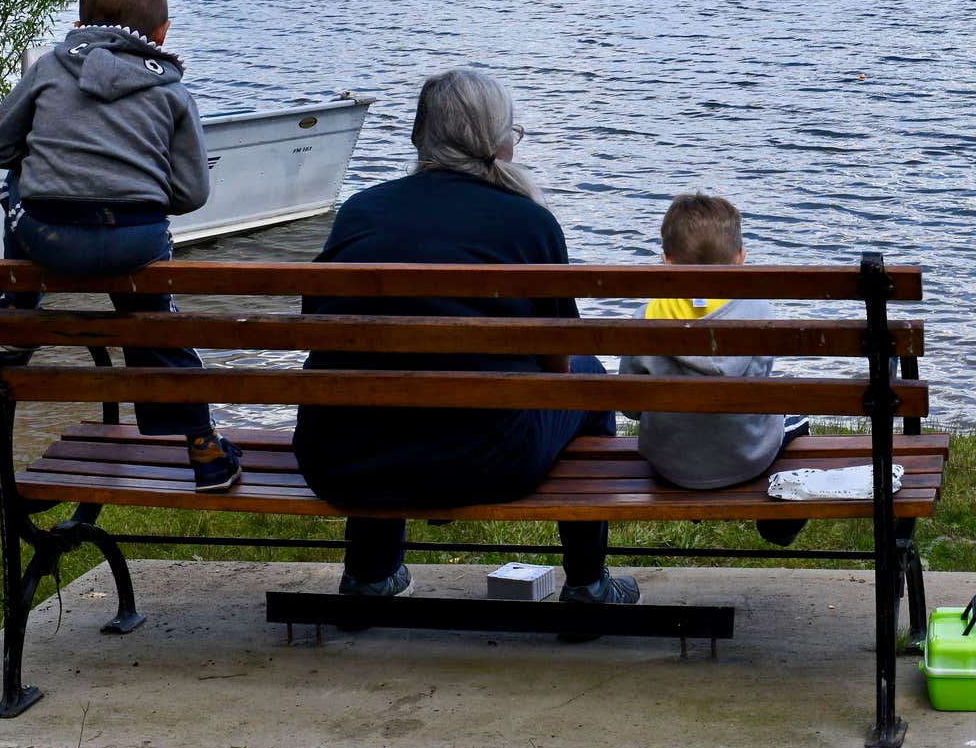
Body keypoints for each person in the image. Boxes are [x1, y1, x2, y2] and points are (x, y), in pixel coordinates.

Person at [292, 67, 639, 617]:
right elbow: (556, 369)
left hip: (342, 457)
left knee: (374, 386)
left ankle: (369, 573)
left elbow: (322, 332)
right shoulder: (528, 223)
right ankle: (587, 582)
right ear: (499, 142)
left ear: (417, 138)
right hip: (487, 461)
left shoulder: (360, 212)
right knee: (589, 379)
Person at [0, 0, 240, 492]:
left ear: (81, 24)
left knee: (16, 178)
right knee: (157, 319)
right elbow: (192, 194)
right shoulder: (173, 92)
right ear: (162, 33)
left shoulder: (48, 70)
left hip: (47, 239)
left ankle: (19, 309)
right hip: (134, 246)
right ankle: (205, 450)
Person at [619, 193, 808, 545]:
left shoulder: (645, 317)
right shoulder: (757, 311)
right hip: (746, 459)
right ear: (740, 260)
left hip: (670, 466)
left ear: (667, 261)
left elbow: (630, 407)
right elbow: (762, 383)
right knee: (796, 418)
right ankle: (781, 521)